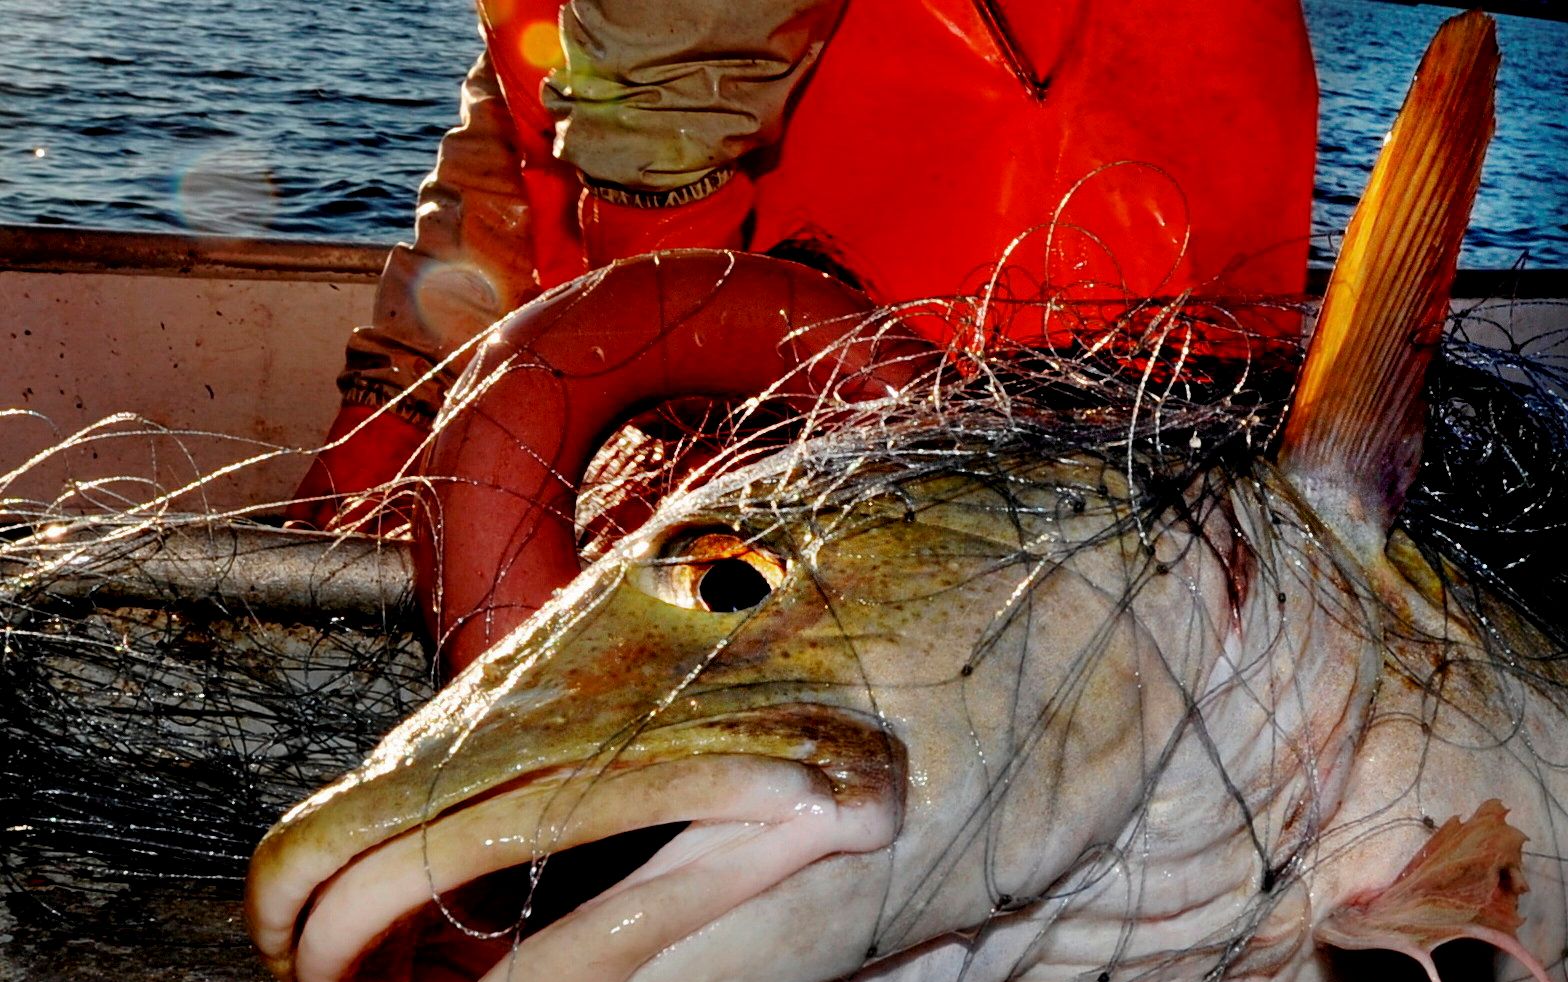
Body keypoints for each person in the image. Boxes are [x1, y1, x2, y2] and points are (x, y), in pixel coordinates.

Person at [292, 0, 1317, 526]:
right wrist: (398, 403)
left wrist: (670, 375)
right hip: (734, 409)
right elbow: (527, 95)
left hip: (1036, 370)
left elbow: (660, 79)